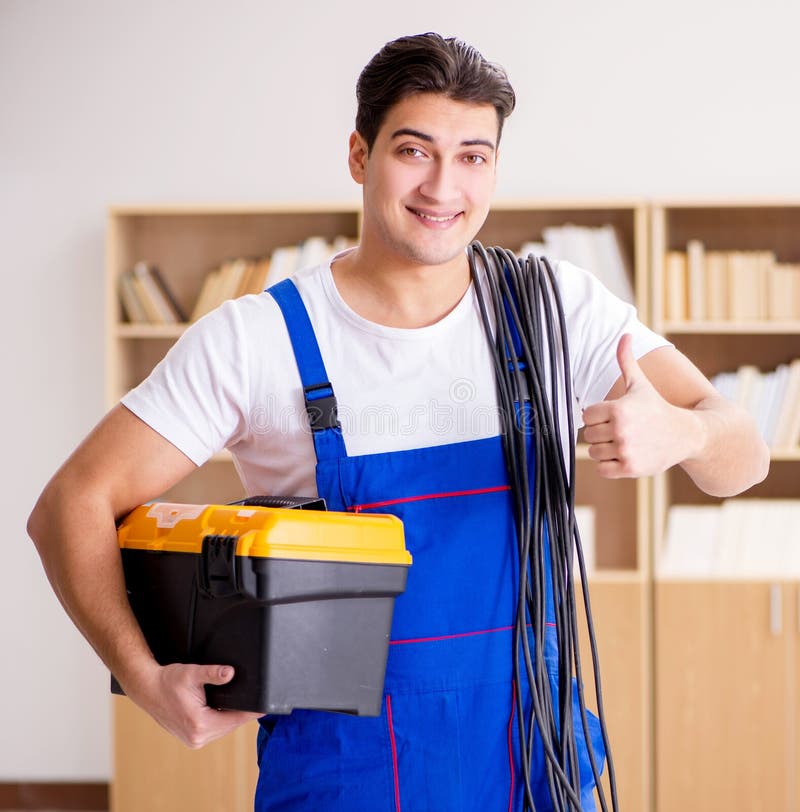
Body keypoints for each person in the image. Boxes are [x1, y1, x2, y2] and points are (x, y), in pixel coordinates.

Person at [28, 32, 769, 812]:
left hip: (535, 766)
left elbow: (742, 455)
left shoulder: (555, 311)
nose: (444, 186)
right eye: (414, 151)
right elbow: (69, 507)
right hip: (343, 780)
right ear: (360, 155)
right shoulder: (258, 340)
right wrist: (145, 680)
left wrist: (685, 434)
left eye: (473, 156)